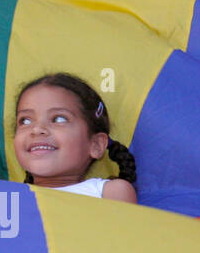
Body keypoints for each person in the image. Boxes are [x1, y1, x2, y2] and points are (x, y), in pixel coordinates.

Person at [12, 72, 138, 203]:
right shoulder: (7, 200)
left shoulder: (110, 192)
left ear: (96, 145)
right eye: (25, 121)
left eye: (59, 119)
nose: (37, 129)